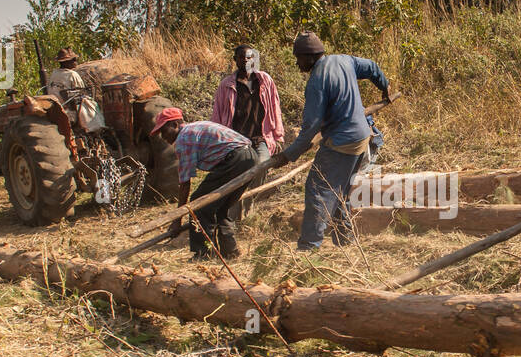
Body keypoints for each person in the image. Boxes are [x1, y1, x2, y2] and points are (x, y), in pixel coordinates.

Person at [269, 31, 392, 250]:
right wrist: (385, 85)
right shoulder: (344, 60)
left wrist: (287, 156)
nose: (297, 63)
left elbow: (309, 129)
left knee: (317, 191)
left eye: (298, 58)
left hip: (342, 143)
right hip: (362, 138)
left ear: (309, 56)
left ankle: (308, 249)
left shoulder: (317, 81)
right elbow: (372, 67)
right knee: (338, 192)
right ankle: (345, 243)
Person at [150, 107, 261, 260]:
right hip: (250, 157)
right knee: (220, 207)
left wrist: (177, 220)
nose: (163, 137)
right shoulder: (194, 129)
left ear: (175, 124)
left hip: (235, 159)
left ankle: (203, 254)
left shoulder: (184, 139)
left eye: (164, 131)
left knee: (199, 203)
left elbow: (185, 184)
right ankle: (231, 252)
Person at [211, 44, 285, 163]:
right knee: (242, 169)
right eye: (241, 57)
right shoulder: (226, 85)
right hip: (237, 140)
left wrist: (278, 137)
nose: (245, 60)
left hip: (261, 139)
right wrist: (216, 142)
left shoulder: (265, 81)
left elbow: (275, 108)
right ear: (235, 60)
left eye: (249, 57)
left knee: (261, 166)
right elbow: (217, 114)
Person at [47, 47, 103, 132]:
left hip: (55, 109)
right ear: (67, 62)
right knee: (91, 105)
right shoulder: (72, 74)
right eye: (74, 59)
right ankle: (94, 130)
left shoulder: (54, 74)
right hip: (68, 110)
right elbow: (81, 93)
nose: (76, 62)